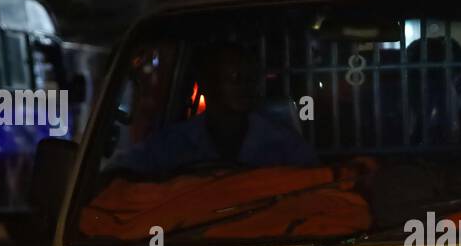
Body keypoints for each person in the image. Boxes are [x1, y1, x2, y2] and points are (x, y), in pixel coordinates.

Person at [112, 42, 316, 176]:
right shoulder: (174, 143)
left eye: (251, 79)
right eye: (235, 78)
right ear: (208, 84)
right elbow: (124, 172)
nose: (245, 86)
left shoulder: (282, 143)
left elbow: (312, 180)